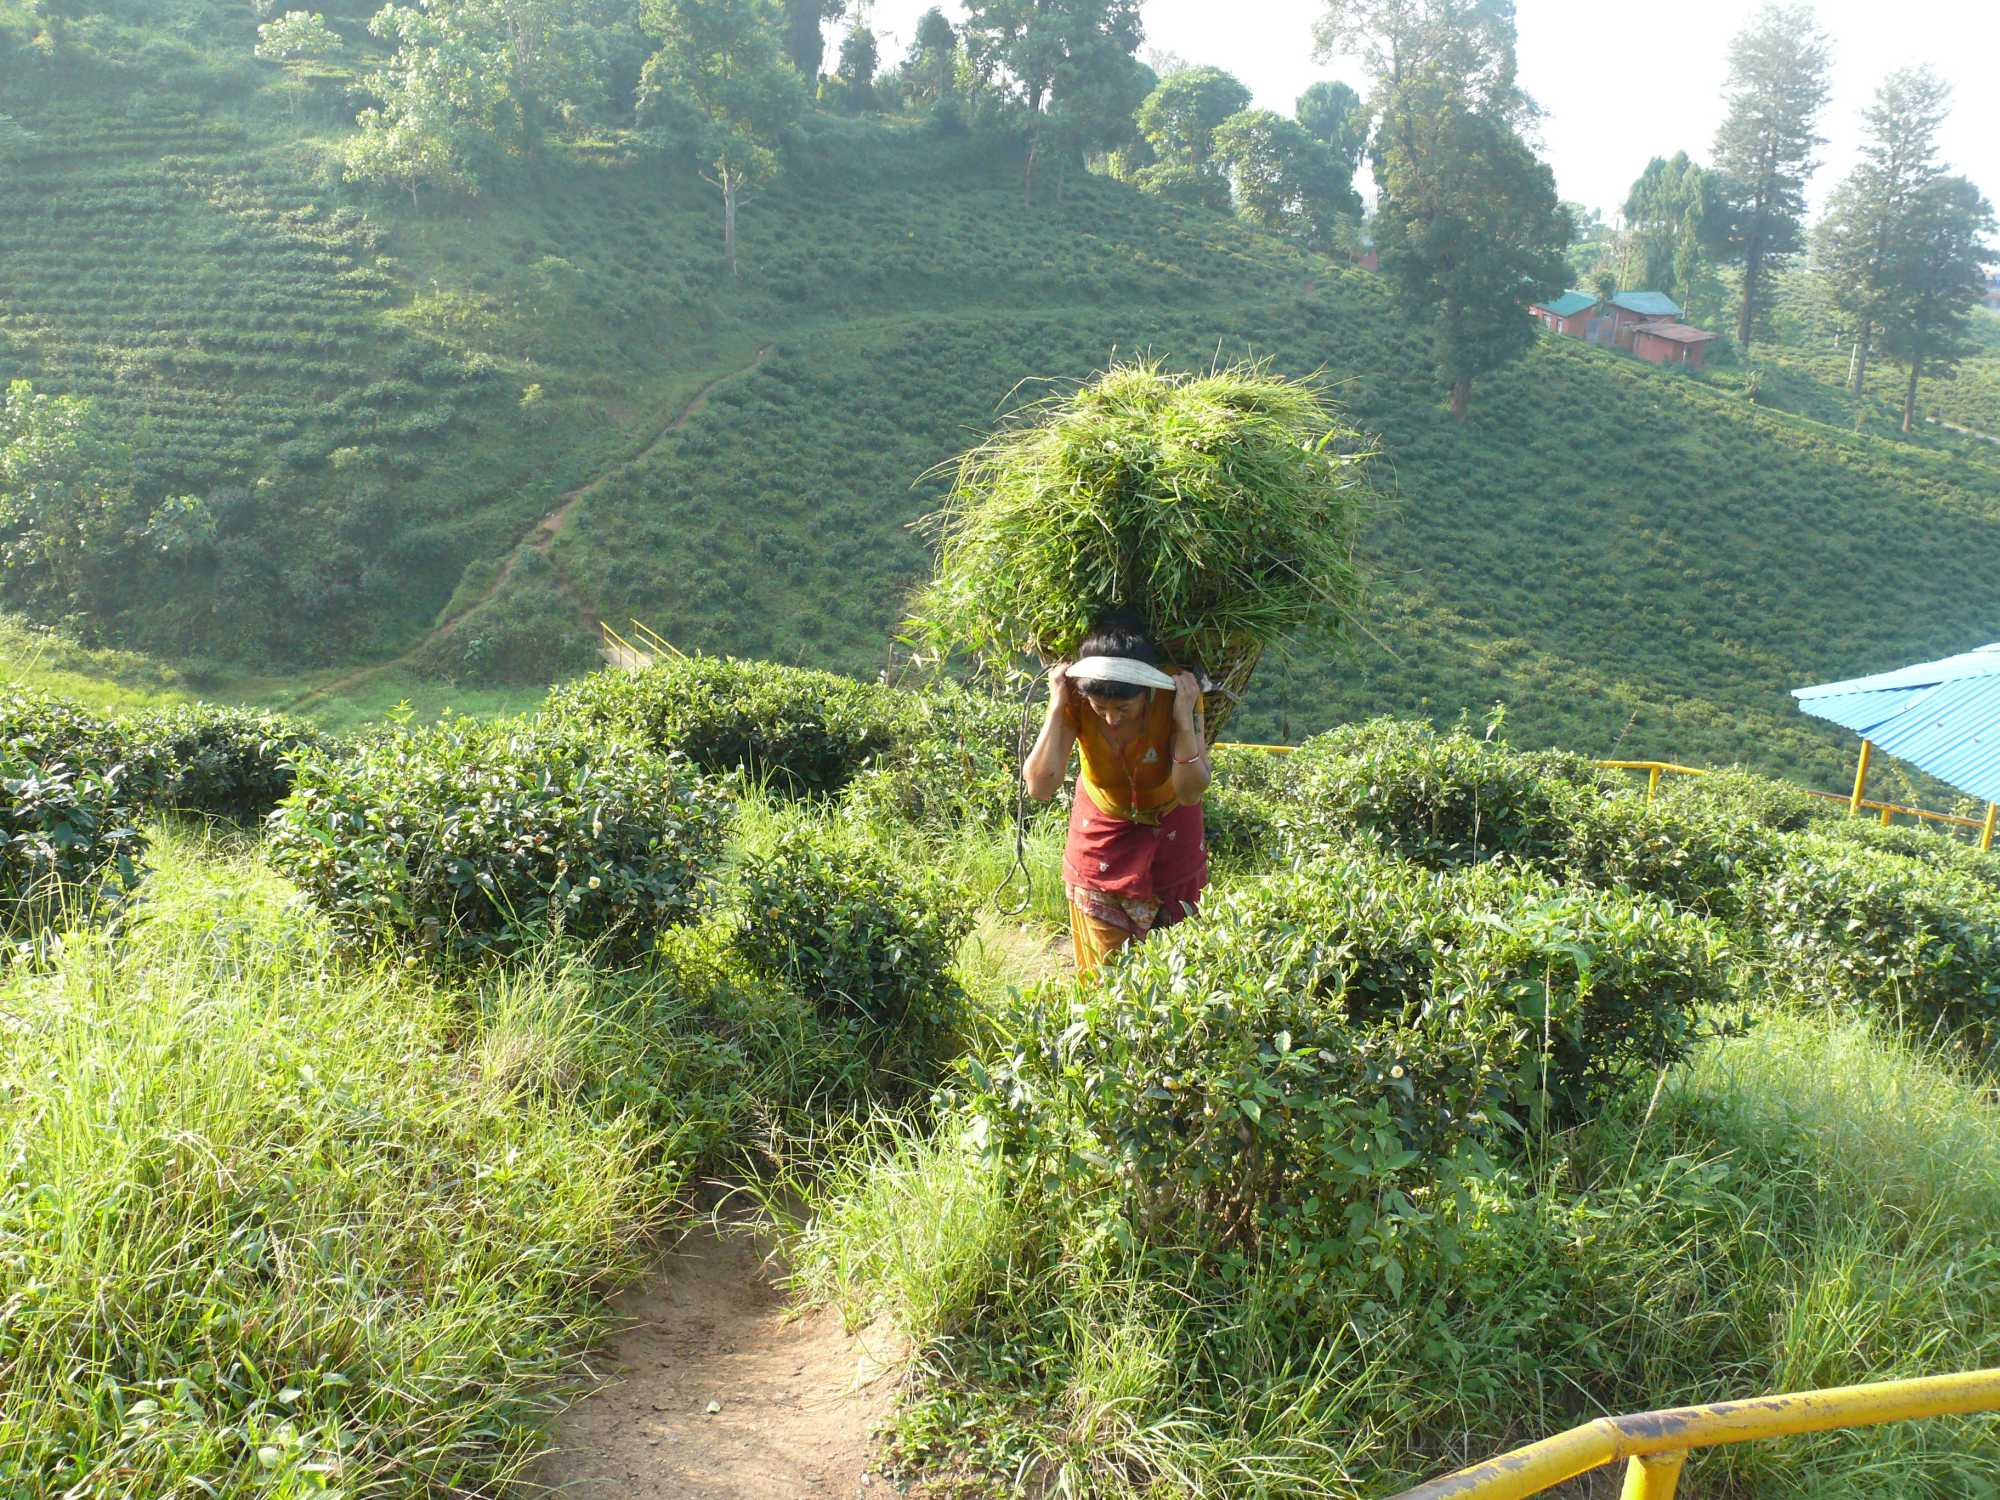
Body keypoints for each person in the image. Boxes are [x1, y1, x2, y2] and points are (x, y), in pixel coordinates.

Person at [1021, 611, 1210, 972]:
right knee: (1102, 973)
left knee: (1177, 964)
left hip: (1171, 829)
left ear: (1147, 692)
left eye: (1124, 707)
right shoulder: (1075, 699)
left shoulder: (1177, 695)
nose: (1111, 719)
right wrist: (1057, 704)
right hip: (1102, 833)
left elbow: (1190, 791)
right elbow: (1039, 785)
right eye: (1100, 708)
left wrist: (1185, 721)